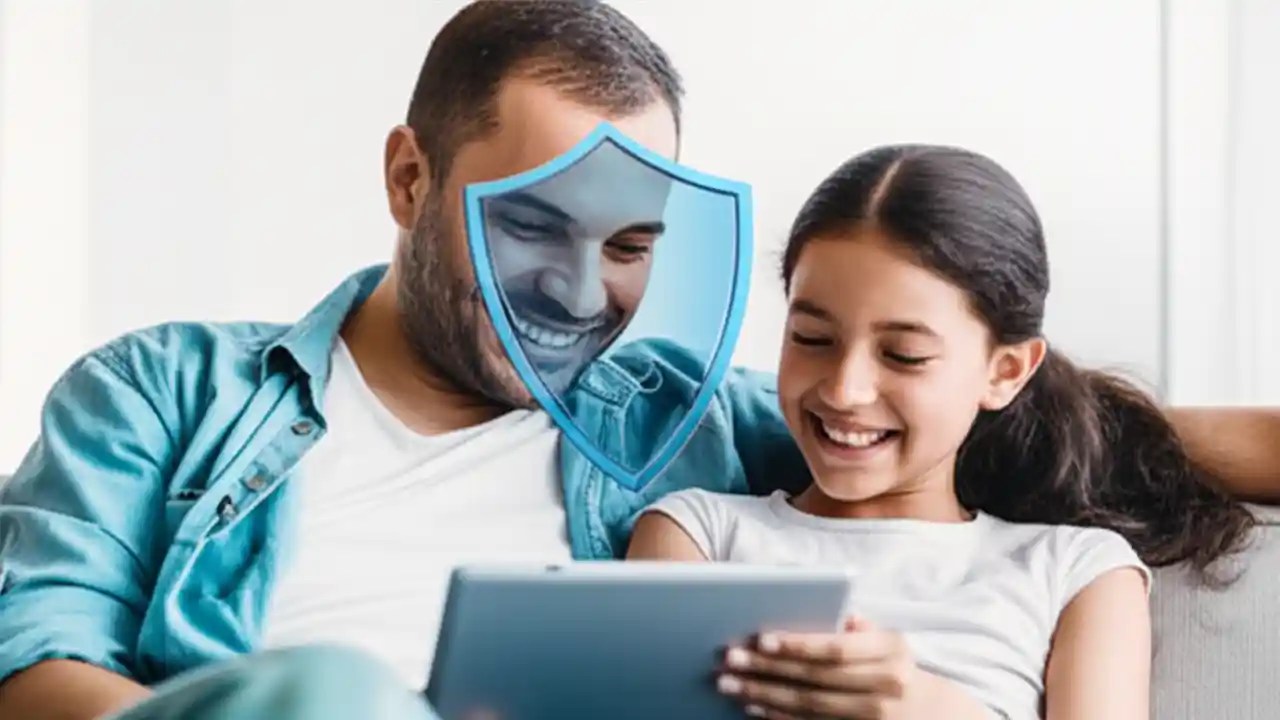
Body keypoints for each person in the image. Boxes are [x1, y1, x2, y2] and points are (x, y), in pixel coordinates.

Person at [0, 2, 1276, 719]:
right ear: (407, 177)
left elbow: (926, 420)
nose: (577, 291)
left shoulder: (690, 436)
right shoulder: (165, 392)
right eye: (529, 228)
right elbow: (30, 671)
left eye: (628, 244)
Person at [628, 144, 1259, 720]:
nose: (845, 390)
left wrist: (925, 708)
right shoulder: (696, 534)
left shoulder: (1076, 572)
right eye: (812, 339)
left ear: (1005, 371)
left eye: (903, 355)